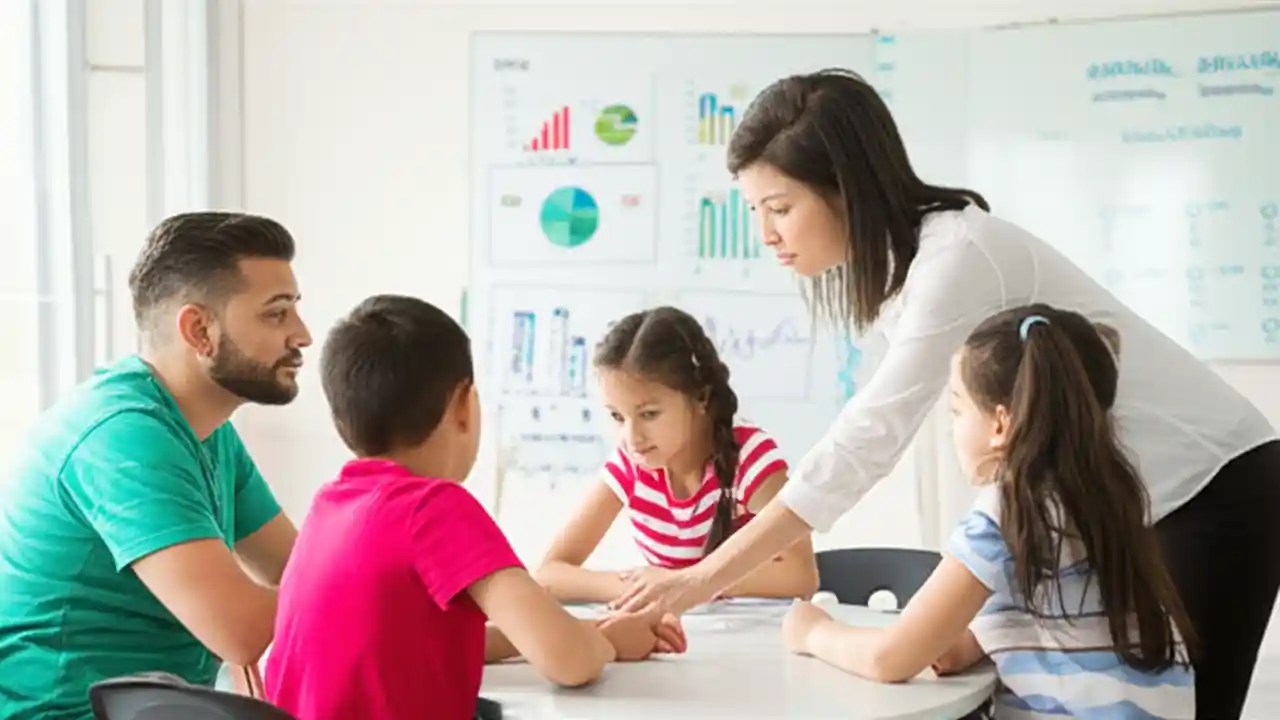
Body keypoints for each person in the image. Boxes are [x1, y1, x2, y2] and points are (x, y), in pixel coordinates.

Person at [613, 68, 1280, 719]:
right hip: (1127, 497)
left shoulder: (957, 260)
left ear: (846, 190)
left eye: (780, 208)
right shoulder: (907, 283)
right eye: (755, 211)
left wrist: (701, 578)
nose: (766, 235)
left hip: (1213, 482)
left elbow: (864, 443)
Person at [265, 295, 686, 720]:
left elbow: (446, 640)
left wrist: (594, 630)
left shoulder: (329, 506)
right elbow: (569, 661)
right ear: (465, 405)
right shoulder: (434, 508)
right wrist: (611, 644)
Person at [783, 305, 1195, 718]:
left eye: (957, 411)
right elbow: (982, 642)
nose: (952, 428)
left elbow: (888, 660)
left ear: (1000, 424)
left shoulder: (1008, 512)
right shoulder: (1108, 497)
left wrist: (815, 631)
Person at [0, 212, 308, 719]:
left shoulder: (209, 434)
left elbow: (296, 567)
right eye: (276, 314)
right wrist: (353, 588)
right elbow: (241, 629)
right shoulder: (123, 436)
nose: (302, 335)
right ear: (198, 329)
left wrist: (474, 630)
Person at [536, 306, 819, 604]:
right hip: (679, 636)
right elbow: (549, 574)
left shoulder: (749, 459)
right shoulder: (631, 463)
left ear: (701, 397)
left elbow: (799, 576)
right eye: (618, 417)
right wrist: (642, 588)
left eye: (649, 414)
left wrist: (686, 581)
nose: (632, 438)